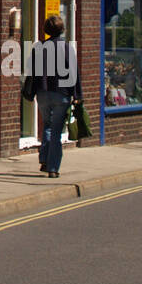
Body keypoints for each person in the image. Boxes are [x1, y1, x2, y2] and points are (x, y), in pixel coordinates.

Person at [26, 14, 82, 177]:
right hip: (61, 95)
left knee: (47, 126)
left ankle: (44, 159)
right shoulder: (66, 48)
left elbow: (33, 71)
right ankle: (53, 168)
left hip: (43, 93)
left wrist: (32, 90)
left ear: (47, 30)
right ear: (62, 29)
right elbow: (74, 74)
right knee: (56, 130)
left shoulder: (39, 47)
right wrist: (77, 94)